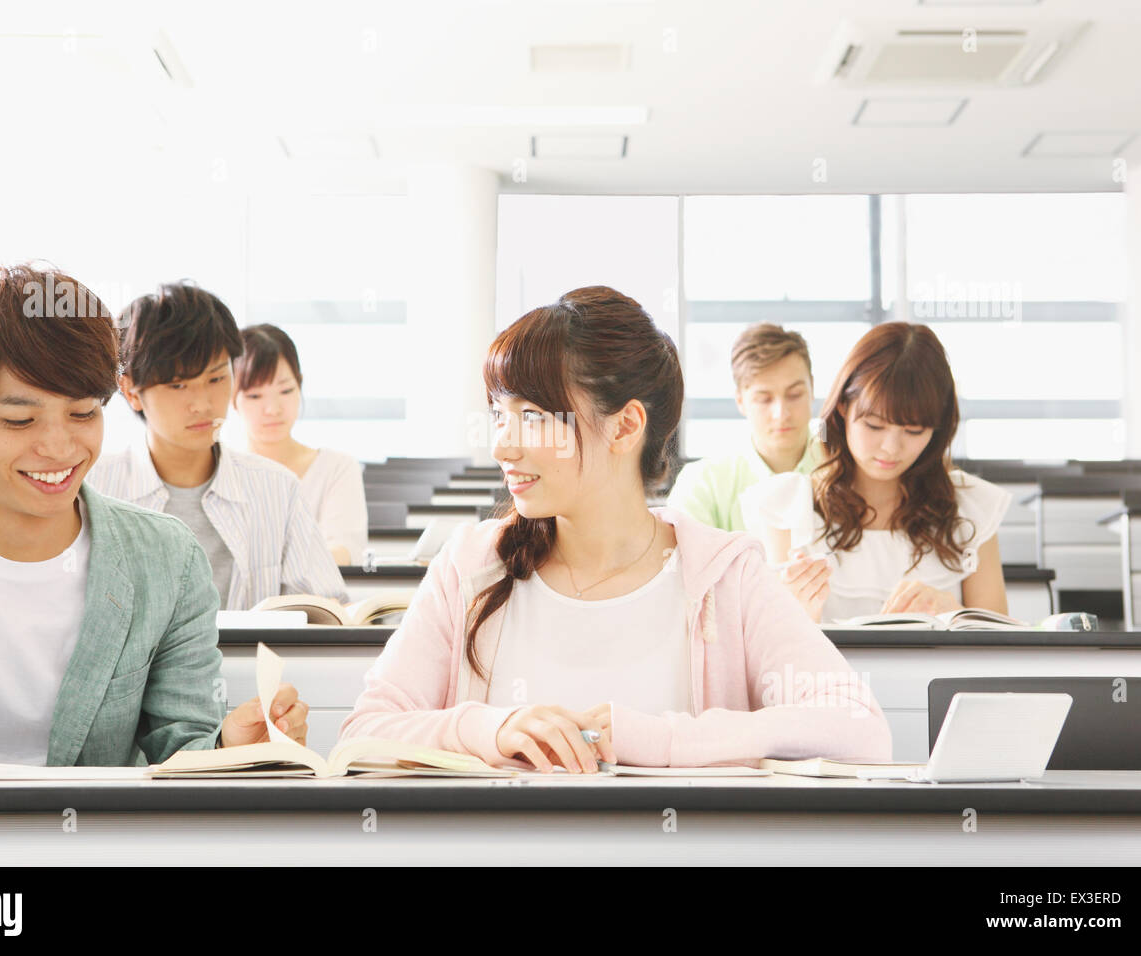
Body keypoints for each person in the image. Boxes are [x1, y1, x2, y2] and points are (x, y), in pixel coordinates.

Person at [338, 286, 890, 771]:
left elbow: (860, 729)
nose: (502, 445)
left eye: (532, 417)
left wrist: (661, 738)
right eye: (500, 415)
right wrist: (490, 730)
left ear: (625, 426)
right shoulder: (471, 567)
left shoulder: (724, 575)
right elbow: (364, 733)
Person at [0, 265, 309, 774]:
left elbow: (181, 744)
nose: (59, 448)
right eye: (20, 420)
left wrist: (228, 749)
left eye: (83, 414)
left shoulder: (167, 559)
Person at [87, 283, 346, 611]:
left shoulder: (277, 489)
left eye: (215, 379)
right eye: (178, 385)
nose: (202, 404)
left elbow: (326, 611)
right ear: (131, 391)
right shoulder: (94, 491)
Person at [741, 322, 1010, 624]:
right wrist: (800, 615)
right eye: (874, 426)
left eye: (913, 430)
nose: (890, 449)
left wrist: (953, 612)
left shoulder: (971, 507)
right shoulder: (787, 507)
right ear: (843, 406)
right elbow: (768, 650)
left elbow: (1000, 649)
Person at [232, 323, 366, 566]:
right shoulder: (222, 475)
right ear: (232, 398)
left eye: (285, 390)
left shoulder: (336, 468)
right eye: (254, 396)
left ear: (300, 385)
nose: (272, 409)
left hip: (316, 603)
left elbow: (346, 552)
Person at [666, 323, 821, 531]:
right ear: (740, 400)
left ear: (812, 389)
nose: (781, 413)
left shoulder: (848, 470)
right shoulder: (703, 483)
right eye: (764, 399)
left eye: (795, 395)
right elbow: (683, 561)